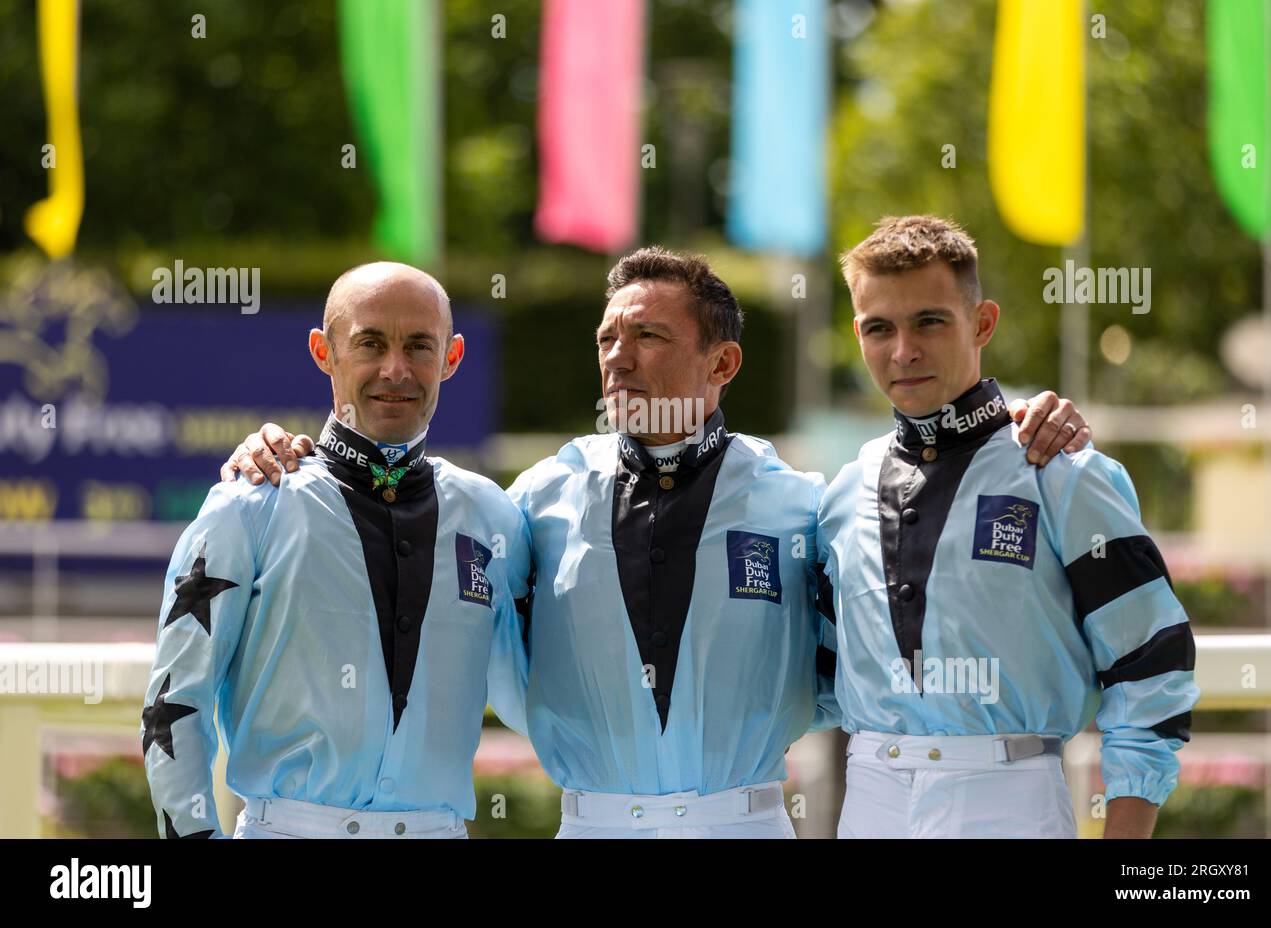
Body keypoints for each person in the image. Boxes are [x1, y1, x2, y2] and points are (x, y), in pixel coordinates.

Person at [223, 246, 1089, 838]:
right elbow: (473, 630)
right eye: (608, 338)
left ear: (722, 366)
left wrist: (1015, 419)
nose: (618, 359)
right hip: (592, 817)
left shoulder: (800, 504)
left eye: (648, 337)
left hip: (745, 820)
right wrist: (278, 449)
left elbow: (860, 658)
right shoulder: (534, 501)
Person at [819, 216, 1198, 839]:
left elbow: (1152, 666)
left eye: (929, 321)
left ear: (983, 323)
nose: (903, 351)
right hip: (868, 800)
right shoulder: (841, 491)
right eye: (879, 328)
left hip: (1012, 802)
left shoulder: (1063, 471)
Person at [143, 262, 529, 839]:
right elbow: (173, 705)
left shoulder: (494, 515)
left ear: (451, 358)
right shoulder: (249, 505)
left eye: (419, 346)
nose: (394, 370)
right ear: (323, 351)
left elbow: (542, 700)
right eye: (370, 343)